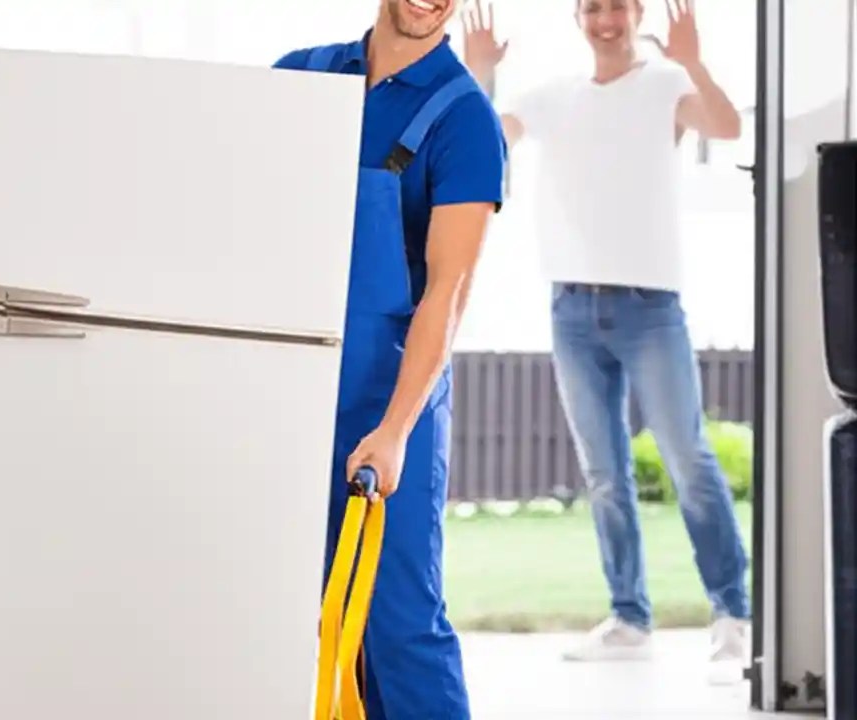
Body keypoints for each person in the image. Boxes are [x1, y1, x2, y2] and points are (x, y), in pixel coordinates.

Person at [462, 0, 751, 665]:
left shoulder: (665, 84)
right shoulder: (553, 97)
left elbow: (728, 127)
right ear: (578, 17)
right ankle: (629, 617)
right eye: (593, 7)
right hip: (570, 310)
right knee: (603, 472)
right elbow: (483, 143)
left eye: (617, 6)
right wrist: (480, 75)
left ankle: (734, 614)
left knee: (690, 460)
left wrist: (693, 61)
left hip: (651, 308)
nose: (606, 19)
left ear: (636, 12)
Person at [276, 0, 506, 716]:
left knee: (394, 621)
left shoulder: (464, 118)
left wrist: (398, 429)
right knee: (279, 610)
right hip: (280, 389)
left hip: (384, 400)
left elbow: (448, 291)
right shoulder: (300, 78)